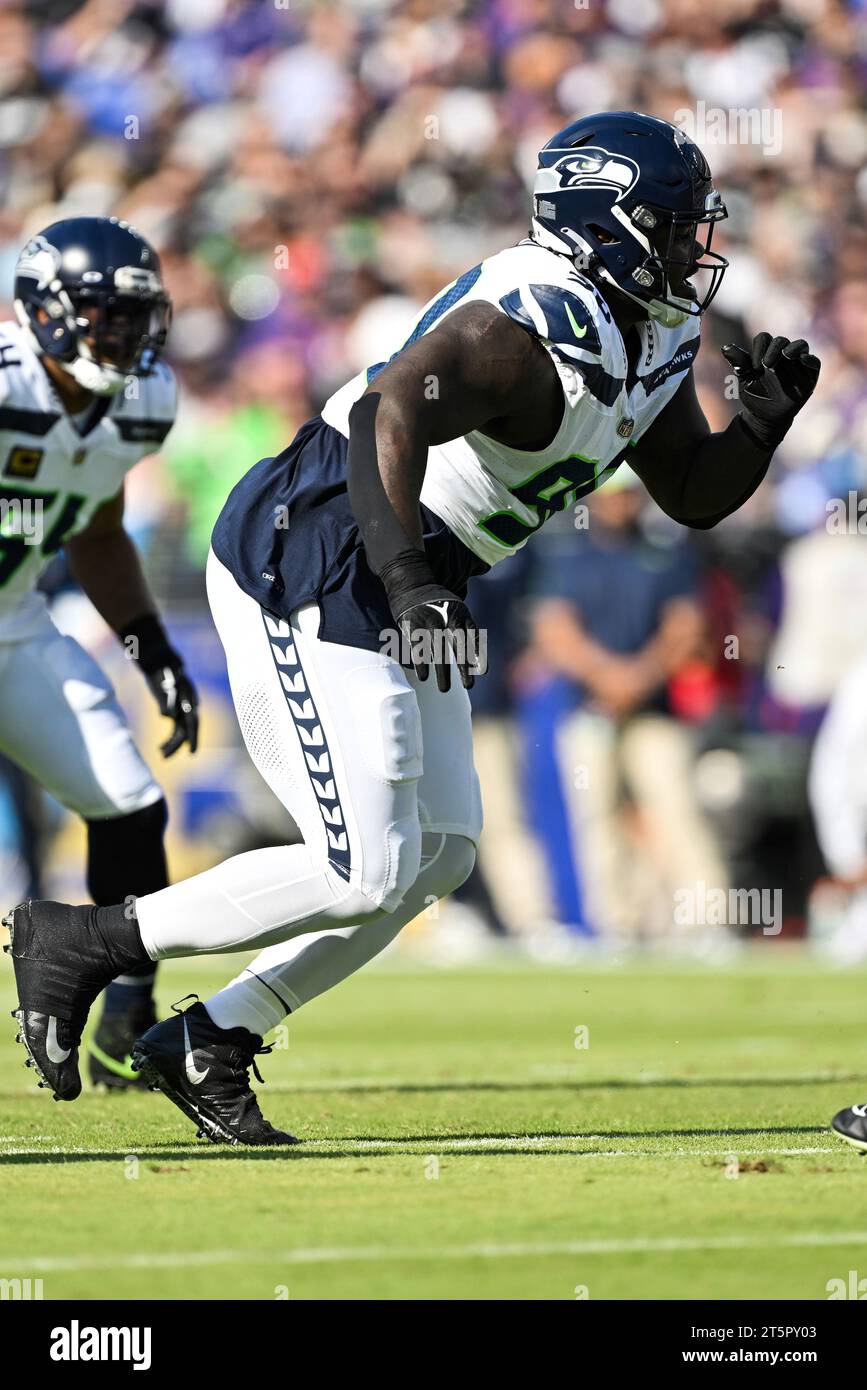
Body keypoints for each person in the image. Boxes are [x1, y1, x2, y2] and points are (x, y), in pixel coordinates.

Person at [3, 113, 819, 1145]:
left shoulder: (649, 330)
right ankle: (84, 938)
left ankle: (213, 1033)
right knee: (364, 864)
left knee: (437, 854)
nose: (689, 246)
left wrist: (758, 425)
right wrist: (403, 577)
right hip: (323, 541)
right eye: (666, 224)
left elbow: (694, 495)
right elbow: (381, 415)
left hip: (418, 562)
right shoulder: (527, 321)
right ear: (603, 226)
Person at [0, 216, 198, 1091]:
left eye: (133, 316)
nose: (122, 334)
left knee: (128, 804)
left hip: (13, 622)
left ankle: (125, 1016)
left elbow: (102, 529)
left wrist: (149, 645)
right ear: (44, 311)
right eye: (100, 314)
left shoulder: (142, 401)